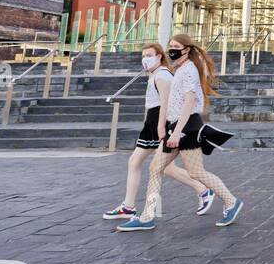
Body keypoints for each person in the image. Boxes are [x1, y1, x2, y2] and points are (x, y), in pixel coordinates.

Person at [118, 33, 243, 231]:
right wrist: (168, 128)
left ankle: (231, 201)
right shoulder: (180, 69)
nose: (172, 49)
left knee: (195, 171)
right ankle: (147, 216)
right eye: (170, 46)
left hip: (186, 128)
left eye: (176, 46)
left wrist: (176, 132)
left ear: (186, 49)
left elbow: (190, 101)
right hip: (174, 127)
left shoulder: (189, 70)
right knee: (156, 168)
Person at [102, 43, 213, 221]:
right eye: (143, 55)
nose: (145, 59)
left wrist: (161, 127)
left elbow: (166, 103)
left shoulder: (162, 75)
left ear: (160, 56)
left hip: (158, 123)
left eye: (149, 55)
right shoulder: (155, 74)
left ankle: (130, 207)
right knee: (159, 166)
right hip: (152, 122)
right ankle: (202, 189)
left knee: (144, 163)